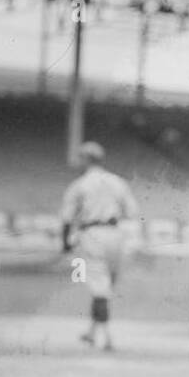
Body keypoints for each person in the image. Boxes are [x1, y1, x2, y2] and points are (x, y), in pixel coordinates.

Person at [60, 141, 140, 350]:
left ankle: (105, 337)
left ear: (87, 159)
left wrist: (65, 244)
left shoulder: (80, 185)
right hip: (116, 234)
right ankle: (92, 331)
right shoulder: (117, 182)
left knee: (99, 287)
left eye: (80, 158)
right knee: (106, 286)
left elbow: (67, 218)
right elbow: (131, 211)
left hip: (93, 234)